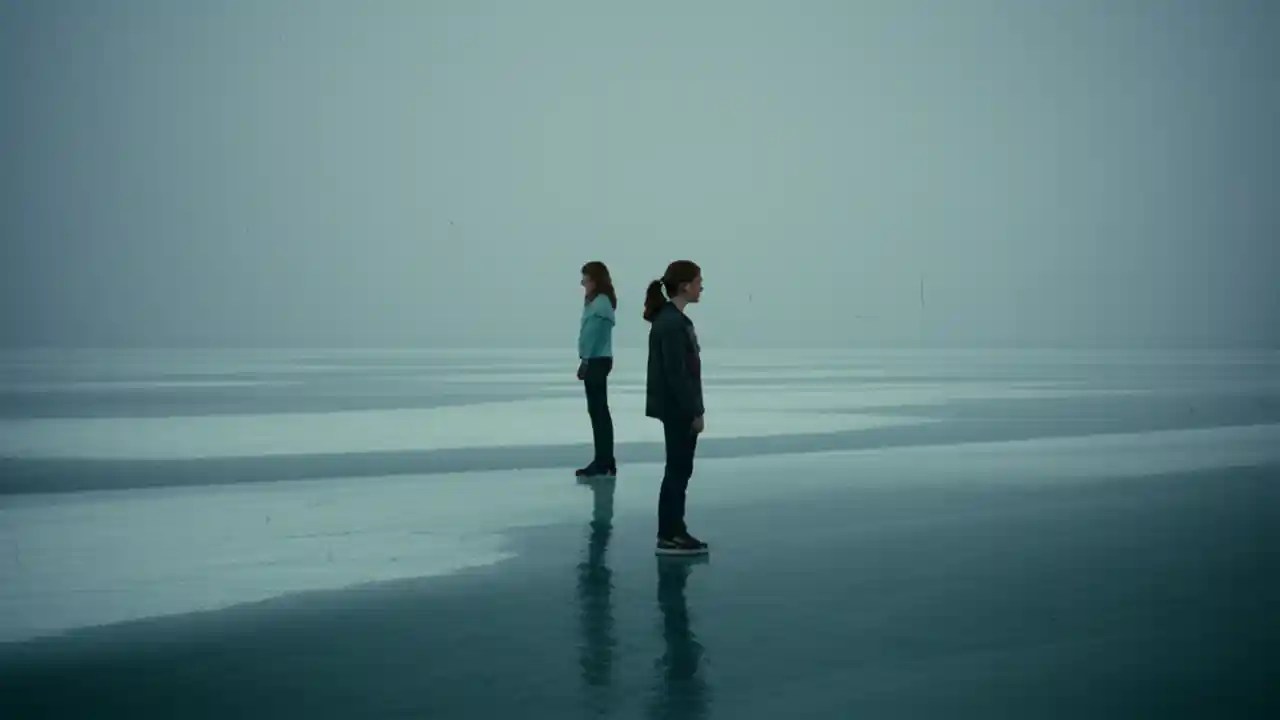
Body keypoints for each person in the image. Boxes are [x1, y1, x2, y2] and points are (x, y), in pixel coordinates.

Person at [643, 260, 708, 555]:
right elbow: (677, 374)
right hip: (678, 410)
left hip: (677, 408)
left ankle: (674, 530)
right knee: (678, 470)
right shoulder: (671, 324)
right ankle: (670, 533)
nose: (701, 287)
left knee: (680, 469)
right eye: (698, 281)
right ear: (685, 286)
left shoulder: (674, 320)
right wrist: (694, 412)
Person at [576, 261, 617, 479]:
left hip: (597, 360)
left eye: (586, 279)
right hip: (596, 359)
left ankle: (603, 461)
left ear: (595, 280)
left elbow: (595, 335)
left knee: (599, 412)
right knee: (598, 411)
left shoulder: (600, 304)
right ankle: (604, 460)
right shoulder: (595, 303)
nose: (583, 284)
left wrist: (586, 361)